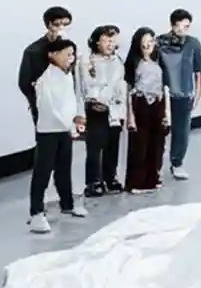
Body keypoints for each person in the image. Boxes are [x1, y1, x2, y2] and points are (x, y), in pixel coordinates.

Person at [28, 38, 89, 233]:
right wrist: (70, 124)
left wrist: (77, 118)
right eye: (67, 54)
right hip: (49, 130)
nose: (71, 59)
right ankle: (36, 212)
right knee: (43, 171)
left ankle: (67, 204)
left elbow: (71, 101)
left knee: (64, 169)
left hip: (64, 130)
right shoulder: (46, 77)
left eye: (72, 54)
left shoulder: (67, 75)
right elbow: (48, 107)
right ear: (52, 54)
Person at [156, 9, 201, 181]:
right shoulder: (160, 43)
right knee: (158, 130)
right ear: (173, 24)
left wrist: (198, 95)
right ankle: (155, 165)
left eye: (187, 26)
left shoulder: (193, 44)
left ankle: (177, 162)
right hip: (162, 94)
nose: (184, 29)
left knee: (182, 131)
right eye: (181, 26)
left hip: (184, 94)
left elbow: (199, 72)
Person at [79, 25, 128, 197]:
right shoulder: (87, 61)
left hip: (115, 109)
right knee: (95, 146)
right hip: (96, 107)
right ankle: (93, 181)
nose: (110, 44)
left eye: (113, 40)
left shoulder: (117, 61)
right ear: (96, 41)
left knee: (112, 145)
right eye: (106, 40)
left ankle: (110, 178)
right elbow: (84, 85)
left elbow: (121, 84)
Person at [124, 27, 171, 193]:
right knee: (140, 144)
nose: (148, 46)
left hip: (157, 104)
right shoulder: (133, 63)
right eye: (144, 43)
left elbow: (165, 87)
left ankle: (153, 178)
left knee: (157, 143)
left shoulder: (158, 61)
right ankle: (136, 181)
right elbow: (128, 90)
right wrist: (130, 116)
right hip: (140, 104)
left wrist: (166, 113)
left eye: (151, 42)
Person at [18, 6, 76, 125]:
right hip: (44, 105)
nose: (61, 29)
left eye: (65, 25)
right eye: (57, 24)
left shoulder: (70, 48)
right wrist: (36, 101)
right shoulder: (33, 51)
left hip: (66, 105)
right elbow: (24, 82)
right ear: (48, 25)